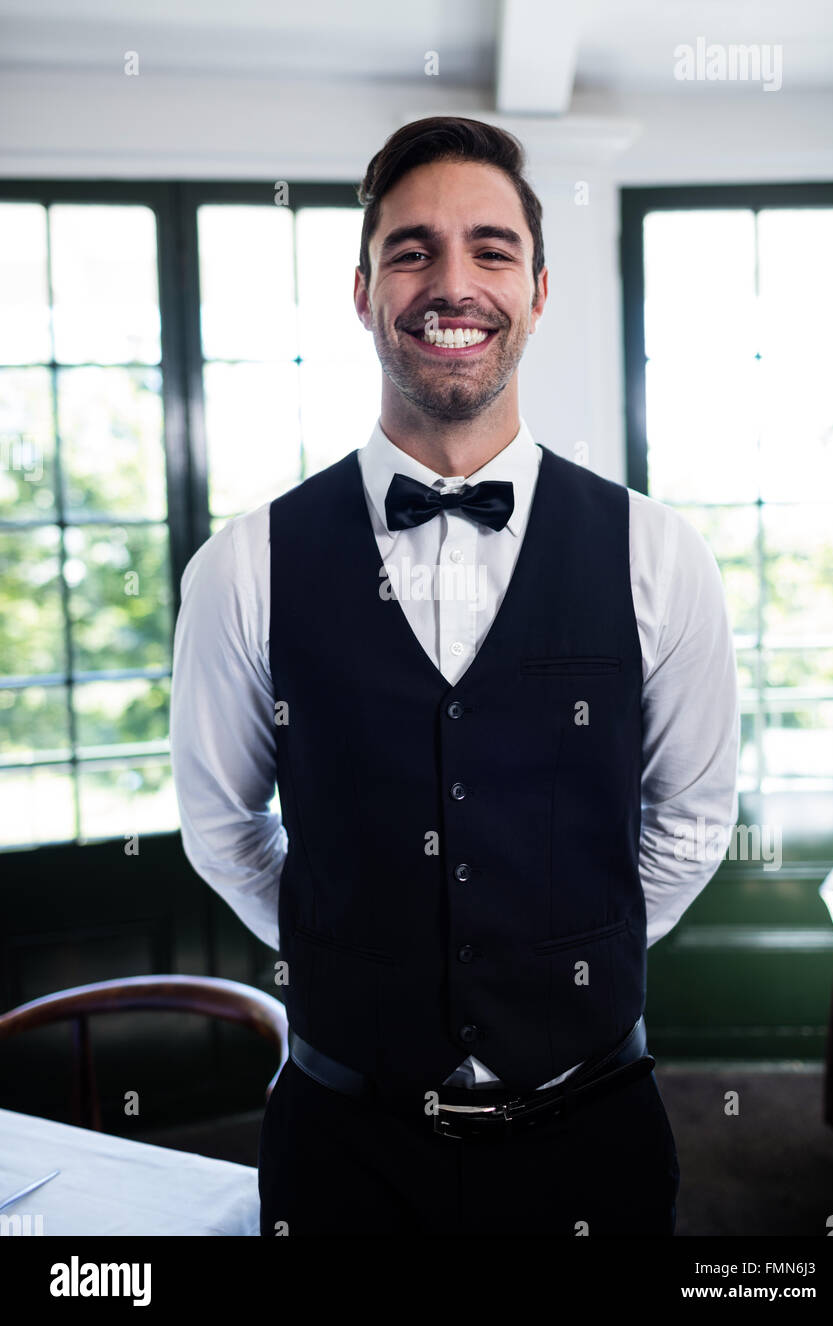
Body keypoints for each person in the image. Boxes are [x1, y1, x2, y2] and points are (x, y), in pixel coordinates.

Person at [169, 115, 740, 1237]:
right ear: (362, 290)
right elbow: (219, 821)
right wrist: (355, 950)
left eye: (488, 249)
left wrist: (564, 958)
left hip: (594, 1133)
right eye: (411, 249)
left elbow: (690, 818)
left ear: (535, 290)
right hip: (343, 1142)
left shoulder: (656, 553)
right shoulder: (243, 563)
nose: (451, 282)